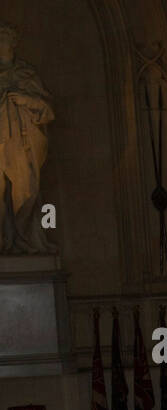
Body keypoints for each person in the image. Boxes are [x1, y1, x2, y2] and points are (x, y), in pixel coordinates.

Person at [0, 22, 54, 254]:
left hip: (22, 143)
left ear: (12, 43)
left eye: (2, 38)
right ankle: (4, 242)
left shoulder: (27, 74)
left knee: (26, 190)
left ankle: (27, 241)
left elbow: (47, 109)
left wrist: (26, 100)